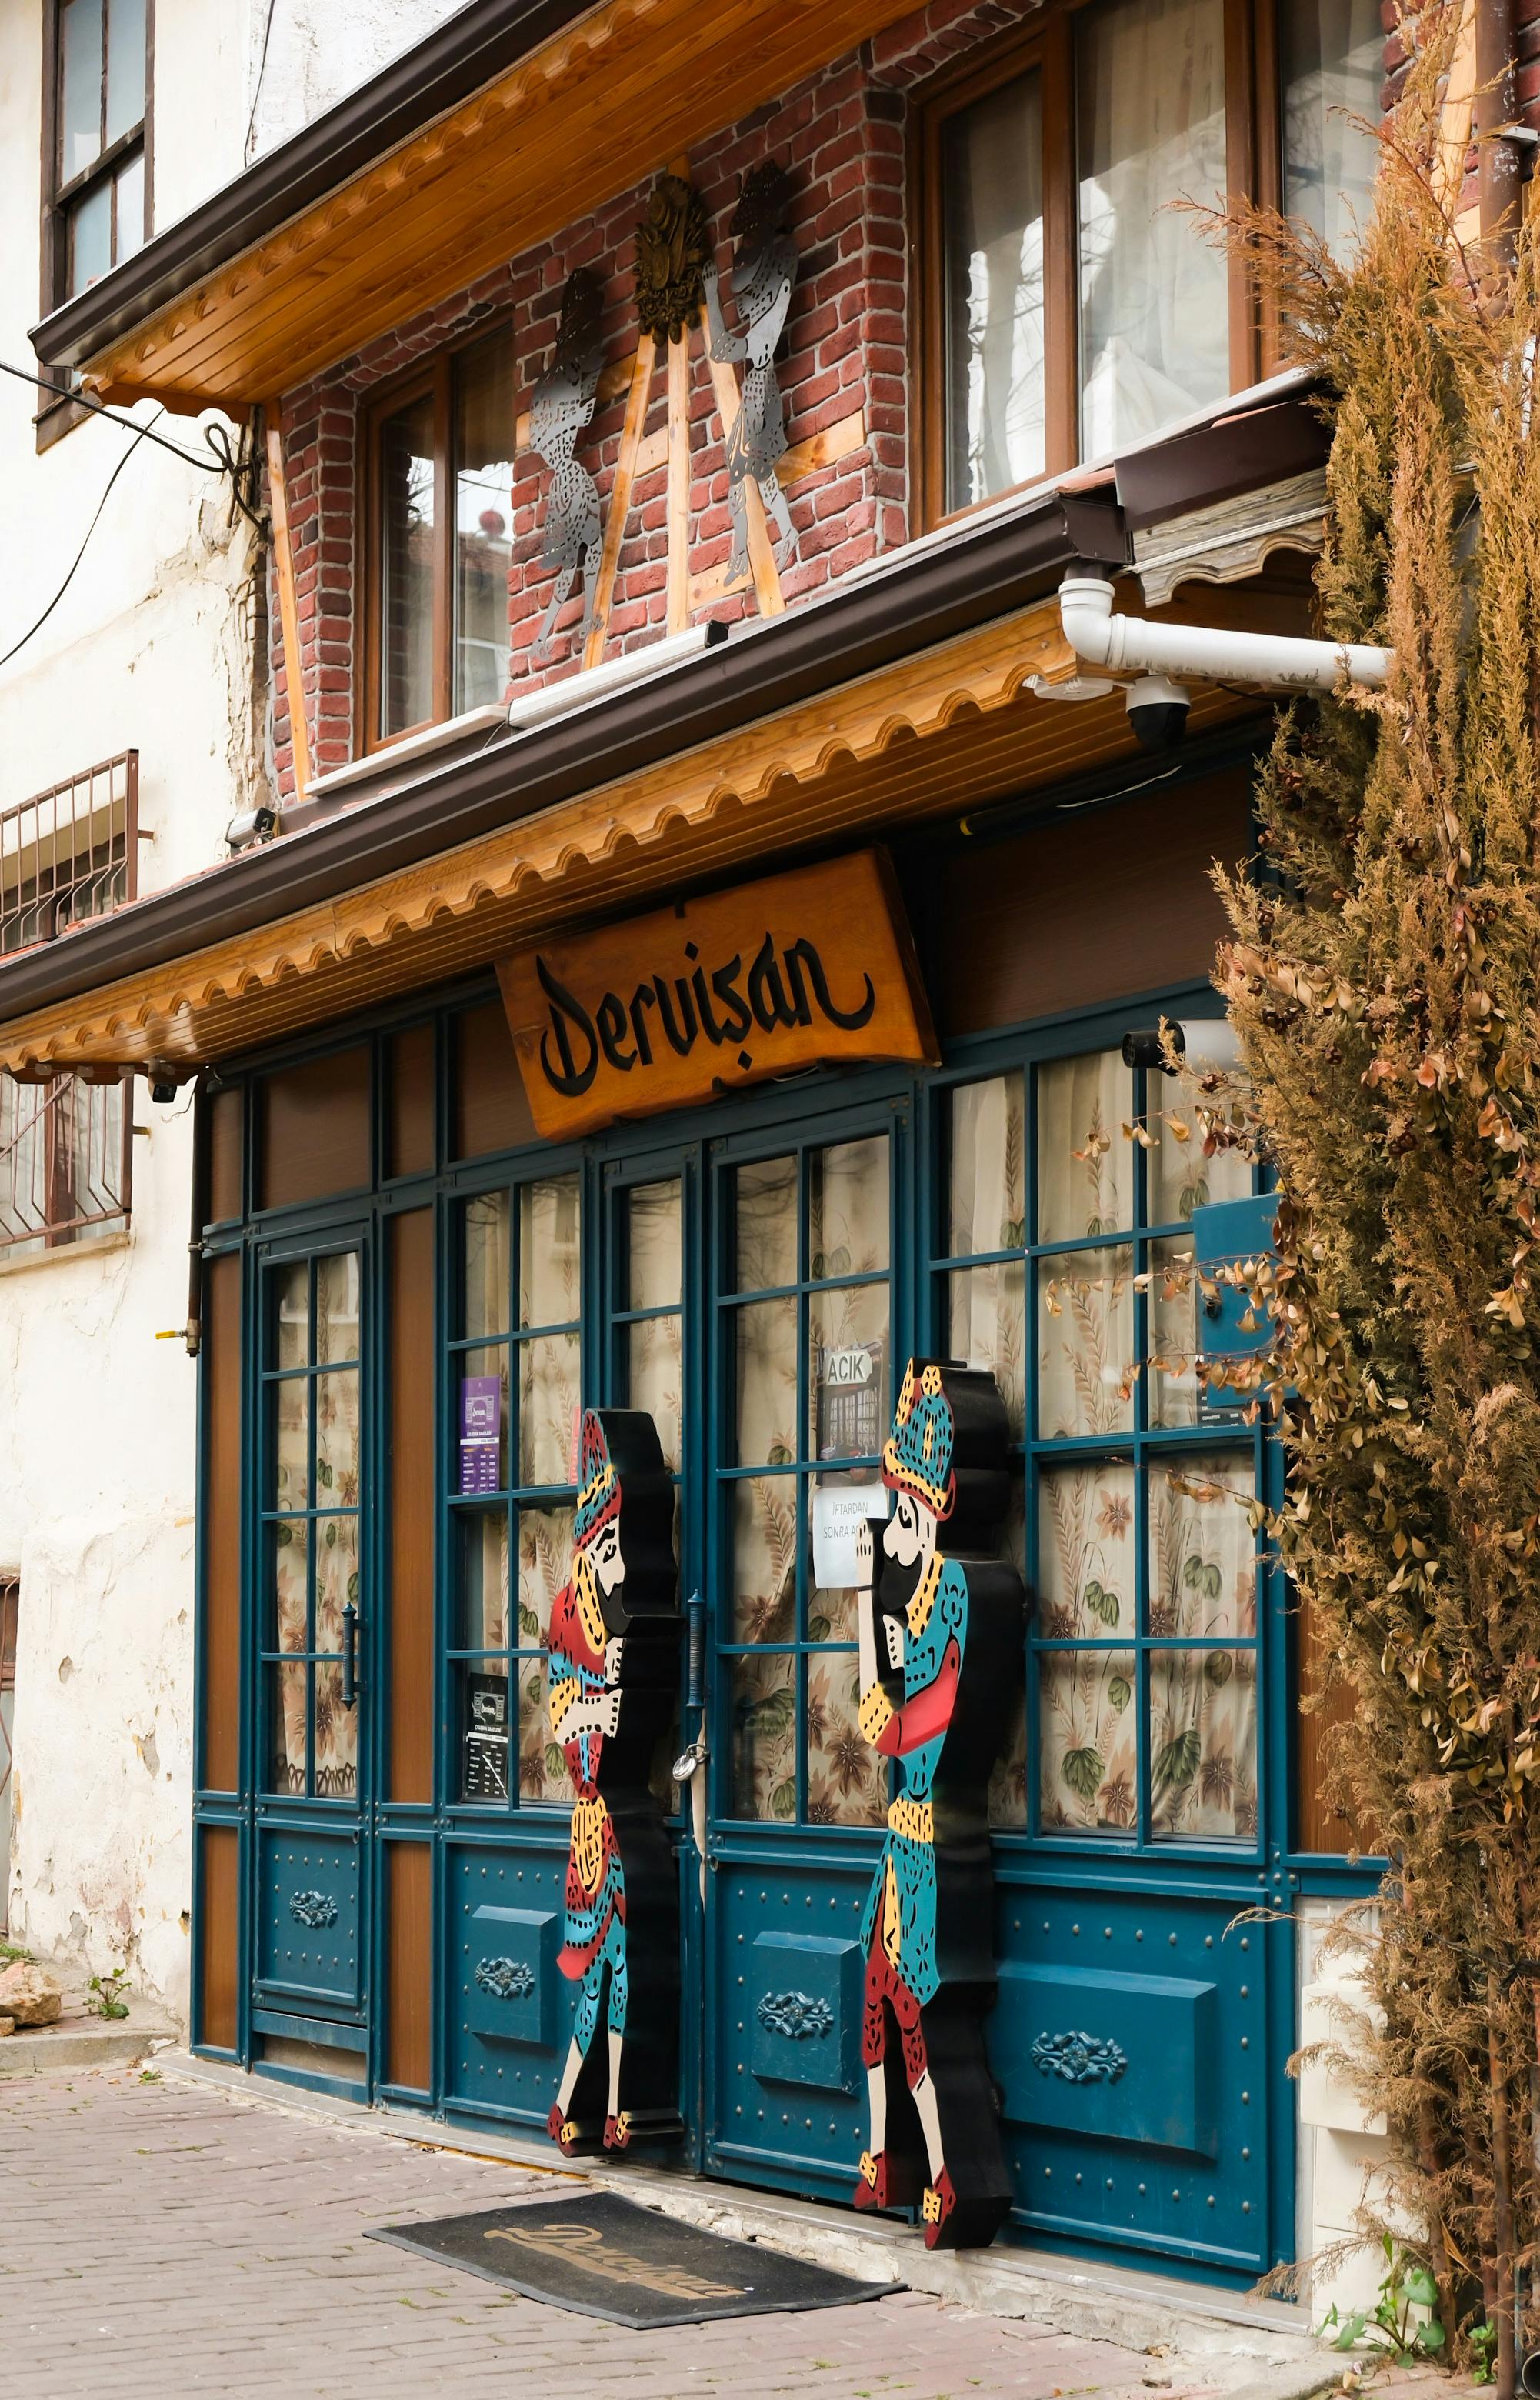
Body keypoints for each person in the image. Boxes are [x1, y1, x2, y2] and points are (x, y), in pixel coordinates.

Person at [852, 1360, 971, 2248]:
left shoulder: (952, 1601)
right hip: (901, 1842)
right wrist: (866, 1602)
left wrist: (882, 1629)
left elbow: (899, 1729)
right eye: (893, 1516)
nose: (896, 1535)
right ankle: (880, 2158)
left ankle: (942, 2171)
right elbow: (872, 1717)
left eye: (908, 1516)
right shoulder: (905, 1607)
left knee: (920, 2019)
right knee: (875, 2000)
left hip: (930, 1842)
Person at [546, 1415, 633, 2152]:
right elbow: (559, 1711)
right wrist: (601, 1700)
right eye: (607, 1550)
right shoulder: (570, 1624)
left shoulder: (609, 1621)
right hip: (592, 1828)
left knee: (618, 1971)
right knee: (600, 1977)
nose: (618, 1565)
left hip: (613, 1819)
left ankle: (605, 2106)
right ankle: (579, 2103)